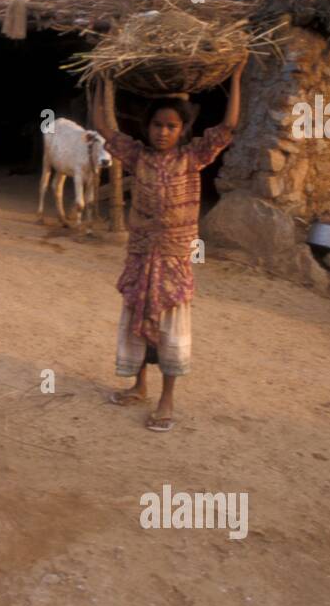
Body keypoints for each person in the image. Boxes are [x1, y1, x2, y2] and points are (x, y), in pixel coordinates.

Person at [90, 64, 244, 431]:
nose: (163, 132)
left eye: (171, 126)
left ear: (182, 130)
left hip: (174, 258)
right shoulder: (137, 156)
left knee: (171, 327)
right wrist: (100, 79)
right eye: (157, 125)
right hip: (141, 254)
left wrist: (235, 80)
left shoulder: (192, 157)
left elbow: (229, 127)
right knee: (138, 318)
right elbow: (102, 126)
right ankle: (139, 385)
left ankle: (167, 398)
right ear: (147, 127)